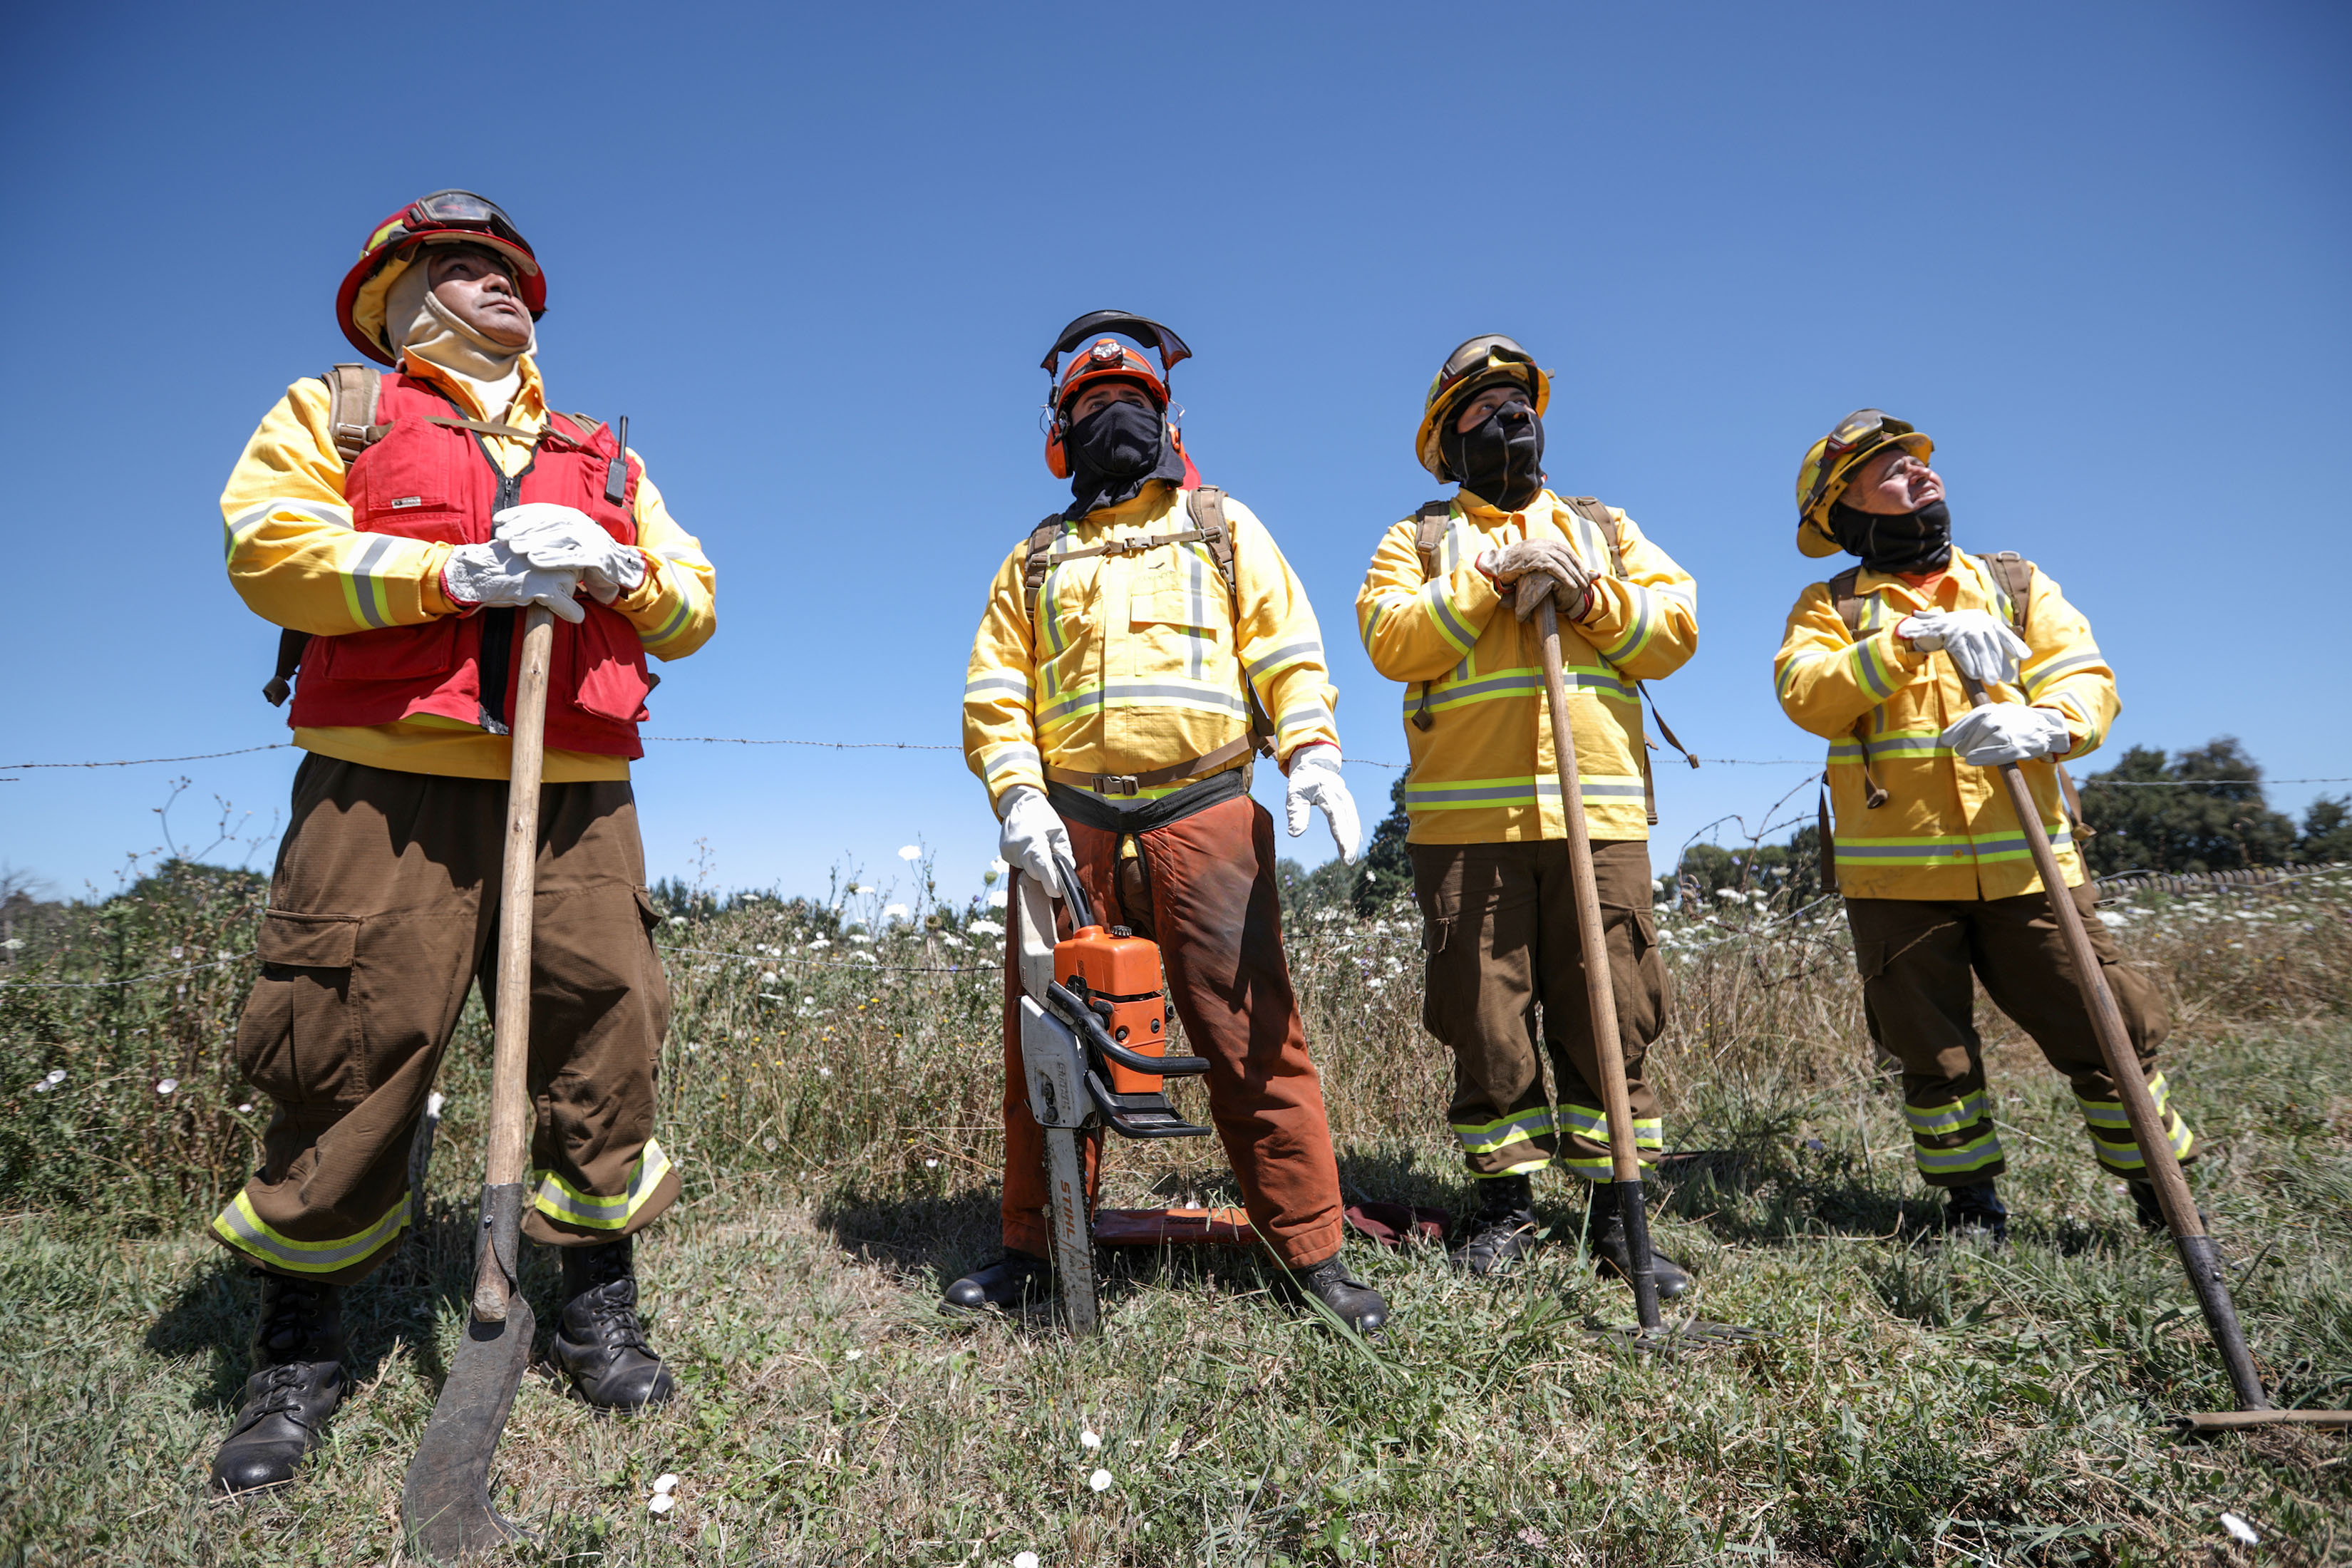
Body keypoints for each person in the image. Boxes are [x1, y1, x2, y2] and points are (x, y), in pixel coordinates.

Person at [207, 191, 716, 1494]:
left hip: (578, 787)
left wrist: (617, 566)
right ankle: (301, 1349)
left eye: (511, 270)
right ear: (399, 294)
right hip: (387, 783)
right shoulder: (338, 412)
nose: (502, 283)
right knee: (343, 1040)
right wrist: (453, 575)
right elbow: (271, 552)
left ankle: (594, 1304)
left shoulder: (604, 458)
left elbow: (694, 604)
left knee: (607, 1027)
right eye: (465, 264)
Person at [955, 312, 1386, 1333]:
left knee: (1256, 1040)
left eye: (1131, 402)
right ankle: (1035, 1247)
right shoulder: (1035, 559)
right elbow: (997, 691)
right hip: (1070, 829)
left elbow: (1287, 651)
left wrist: (1313, 751)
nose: (1113, 417)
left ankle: (1311, 1256)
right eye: (1093, 405)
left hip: (1207, 812)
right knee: (1046, 1047)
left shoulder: (1224, 529)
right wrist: (1017, 794)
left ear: (1167, 420)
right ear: (1062, 432)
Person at [1775, 408, 2189, 1246]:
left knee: (2108, 1031)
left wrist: (2050, 725)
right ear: (1845, 507)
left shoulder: (2013, 582)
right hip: (1897, 883)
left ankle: (2163, 1195)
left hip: (2032, 873)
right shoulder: (1831, 606)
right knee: (1933, 1056)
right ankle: (1972, 1209)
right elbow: (1807, 695)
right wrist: (1906, 639)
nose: (1921, 472)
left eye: (1920, 462)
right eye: (1891, 469)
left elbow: (2087, 677)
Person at [1356, 336, 1699, 1290]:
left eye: (1520, 403)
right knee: (1485, 1020)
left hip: (1600, 818)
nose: (1509, 418)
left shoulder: (1604, 528)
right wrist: (1489, 576)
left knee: (1612, 1009)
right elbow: (1392, 640)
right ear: (1446, 442)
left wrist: (1589, 593)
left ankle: (1616, 1212)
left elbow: (1676, 630)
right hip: (1467, 831)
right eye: (1482, 409)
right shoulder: (1418, 541)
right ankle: (1506, 1206)